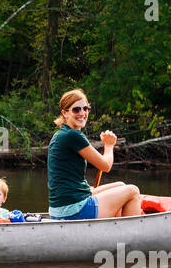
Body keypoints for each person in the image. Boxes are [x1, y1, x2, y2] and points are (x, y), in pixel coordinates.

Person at [46, 89, 141, 220]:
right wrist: (108, 145)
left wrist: (87, 190)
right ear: (65, 113)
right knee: (133, 191)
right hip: (72, 210)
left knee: (121, 186)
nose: (82, 113)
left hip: (62, 207)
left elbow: (69, 180)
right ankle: (129, 236)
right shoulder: (73, 135)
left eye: (86, 108)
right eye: (76, 110)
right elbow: (105, 166)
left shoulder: (61, 134)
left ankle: (114, 231)